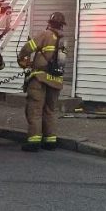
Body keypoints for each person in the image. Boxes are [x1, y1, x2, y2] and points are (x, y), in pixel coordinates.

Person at [17, 11, 67, 152]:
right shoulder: (64, 41)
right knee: (50, 111)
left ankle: (33, 142)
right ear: (62, 25)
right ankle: (50, 141)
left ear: (49, 23)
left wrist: (21, 58)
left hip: (39, 78)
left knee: (35, 110)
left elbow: (28, 48)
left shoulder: (45, 34)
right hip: (56, 81)